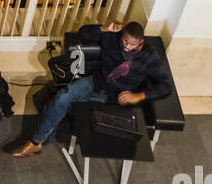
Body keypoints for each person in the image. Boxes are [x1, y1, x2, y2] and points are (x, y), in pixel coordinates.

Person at [12, 19, 172, 158]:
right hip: (96, 80)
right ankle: (36, 142)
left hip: (113, 97)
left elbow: (165, 86)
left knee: (66, 103)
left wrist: (139, 96)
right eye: (125, 41)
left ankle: (48, 129)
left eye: (133, 44)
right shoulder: (112, 37)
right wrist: (104, 28)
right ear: (122, 34)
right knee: (63, 95)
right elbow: (84, 32)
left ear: (141, 43)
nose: (128, 46)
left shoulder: (149, 56)